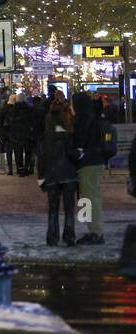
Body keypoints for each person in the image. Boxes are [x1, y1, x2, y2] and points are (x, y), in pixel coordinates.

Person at [39, 90, 78, 247]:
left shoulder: (44, 137)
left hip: (51, 176)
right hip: (68, 174)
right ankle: (69, 236)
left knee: (53, 209)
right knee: (69, 209)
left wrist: (41, 180)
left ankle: (52, 237)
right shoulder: (68, 135)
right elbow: (72, 154)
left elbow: (41, 161)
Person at [72, 91, 107, 246]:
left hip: (88, 163)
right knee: (90, 197)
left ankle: (96, 232)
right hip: (95, 161)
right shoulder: (93, 117)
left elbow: (79, 141)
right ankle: (93, 229)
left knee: (90, 198)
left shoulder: (82, 119)